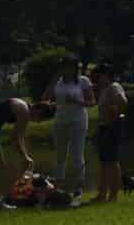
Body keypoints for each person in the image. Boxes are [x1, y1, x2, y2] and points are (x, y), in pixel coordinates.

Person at [0, 96, 54, 211]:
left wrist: (25, 156)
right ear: (38, 110)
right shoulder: (24, 112)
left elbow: (20, 137)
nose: (37, 122)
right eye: (40, 118)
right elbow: (15, 138)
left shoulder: (23, 108)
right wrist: (25, 157)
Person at [48, 59, 95, 196]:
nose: (66, 70)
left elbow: (92, 101)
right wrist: (53, 82)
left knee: (77, 154)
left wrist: (76, 101)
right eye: (64, 67)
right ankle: (59, 187)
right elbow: (45, 98)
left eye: (70, 67)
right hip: (60, 121)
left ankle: (78, 186)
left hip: (78, 121)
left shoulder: (83, 81)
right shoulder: (58, 83)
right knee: (60, 155)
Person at [92, 64, 129, 203]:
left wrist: (115, 115)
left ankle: (113, 195)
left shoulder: (114, 87)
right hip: (103, 126)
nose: (97, 79)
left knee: (112, 161)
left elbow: (123, 102)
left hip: (112, 127)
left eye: (99, 76)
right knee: (103, 162)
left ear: (106, 75)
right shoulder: (104, 90)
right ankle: (102, 193)